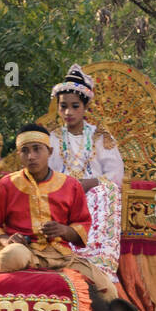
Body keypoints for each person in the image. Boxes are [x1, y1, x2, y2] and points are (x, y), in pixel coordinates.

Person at [0, 123, 110, 293]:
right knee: (10, 256)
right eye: (25, 151)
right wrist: (7, 240)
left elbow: (82, 224)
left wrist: (63, 230)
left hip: (61, 255)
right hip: (24, 251)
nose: (31, 156)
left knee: (106, 288)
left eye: (37, 149)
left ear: (50, 152)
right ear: (19, 154)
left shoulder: (71, 185)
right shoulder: (6, 185)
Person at [47, 64, 125, 282]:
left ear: (85, 107)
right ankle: (61, 256)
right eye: (63, 107)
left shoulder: (100, 137)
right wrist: (65, 185)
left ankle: (98, 260)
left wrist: (87, 184)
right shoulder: (53, 138)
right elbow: (46, 172)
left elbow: (115, 174)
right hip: (62, 191)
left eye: (74, 106)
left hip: (93, 193)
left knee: (106, 192)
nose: (68, 112)